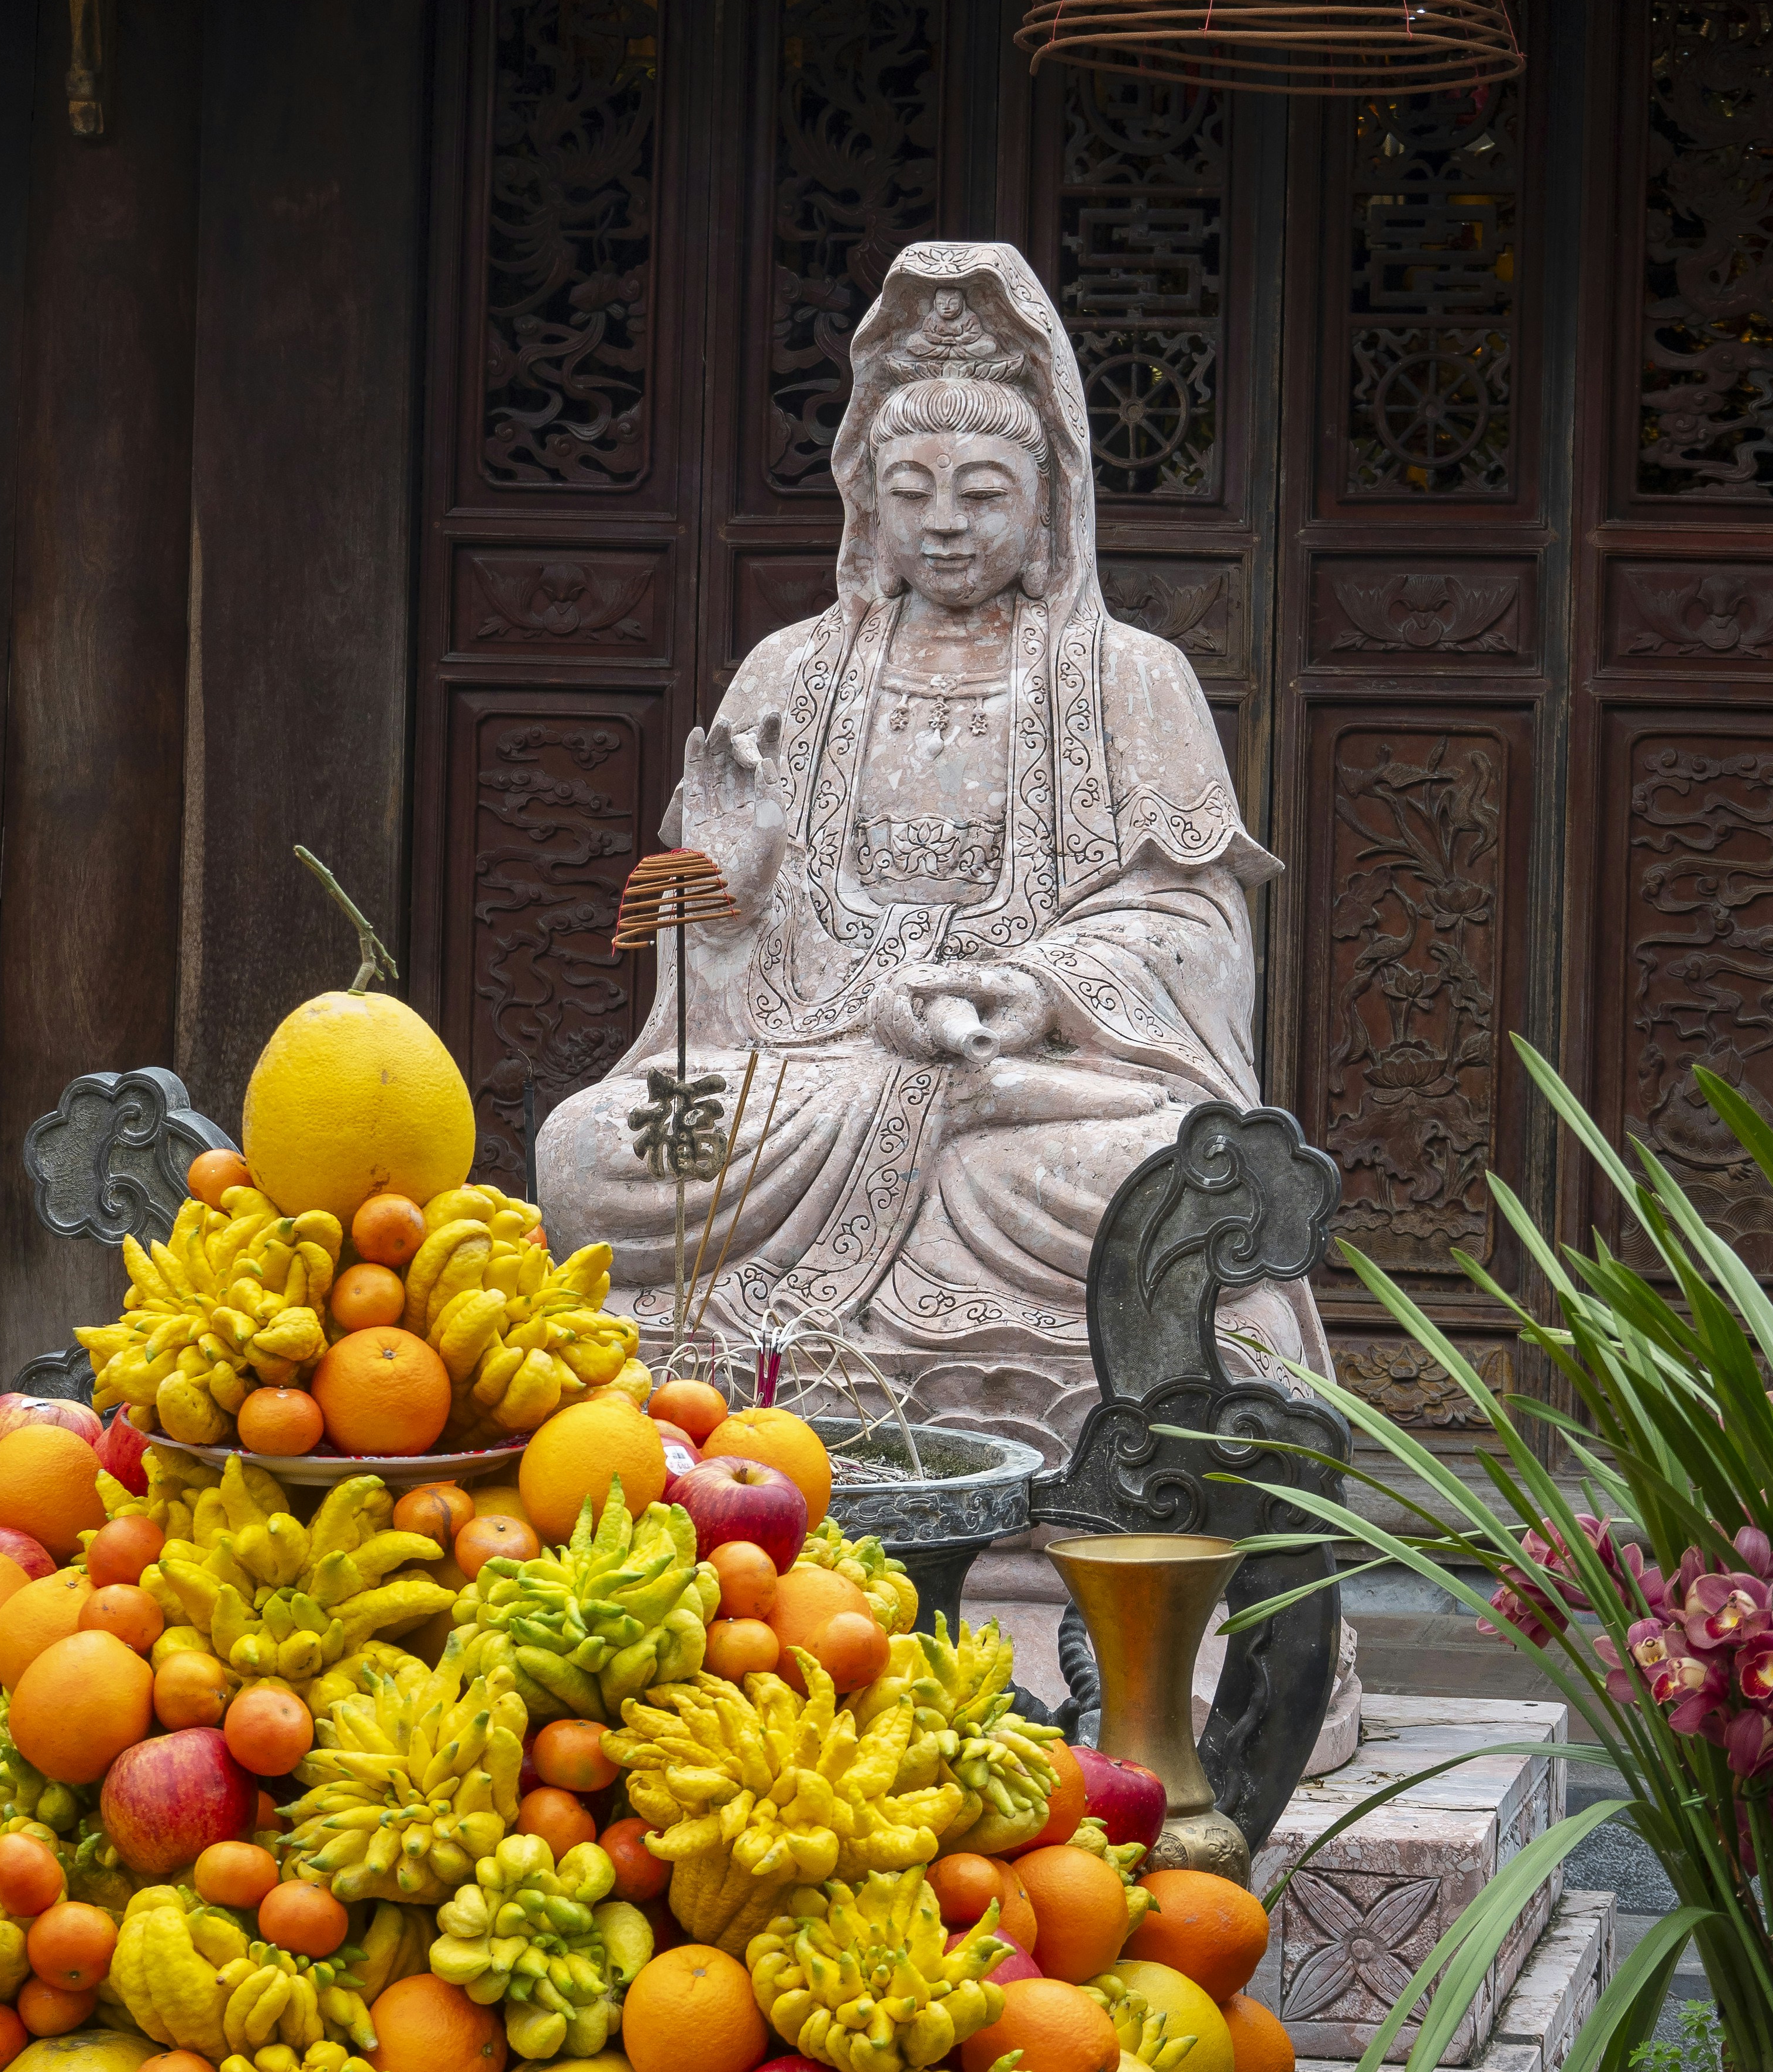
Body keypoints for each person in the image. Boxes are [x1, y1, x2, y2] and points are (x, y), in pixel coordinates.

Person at [535, 239, 1326, 1387]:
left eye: (984, 491)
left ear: (1049, 497)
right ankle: (953, 1128)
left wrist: (1029, 990)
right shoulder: (783, 675)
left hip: (1034, 1115)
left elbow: (1193, 931)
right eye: (913, 491)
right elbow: (702, 1001)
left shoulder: (1132, 678)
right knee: (587, 1153)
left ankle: (981, 1108)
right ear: (867, 499)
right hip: (808, 1082)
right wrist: (724, 894)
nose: (946, 522)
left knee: (1173, 1171)